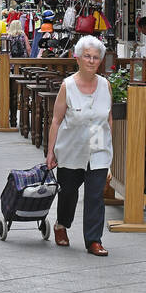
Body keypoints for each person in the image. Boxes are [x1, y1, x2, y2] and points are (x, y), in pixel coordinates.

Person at [46, 35, 112, 256]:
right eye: (87, 56)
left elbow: (108, 119)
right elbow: (56, 120)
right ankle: (61, 225)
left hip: (98, 147)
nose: (92, 61)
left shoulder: (105, 85)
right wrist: (50, 152)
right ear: (78, 58)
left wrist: (110, 155)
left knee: (95, 195)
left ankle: (94, 240)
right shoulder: (69, 86)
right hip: (71, 147)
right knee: (69, 193)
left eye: (96, 57)